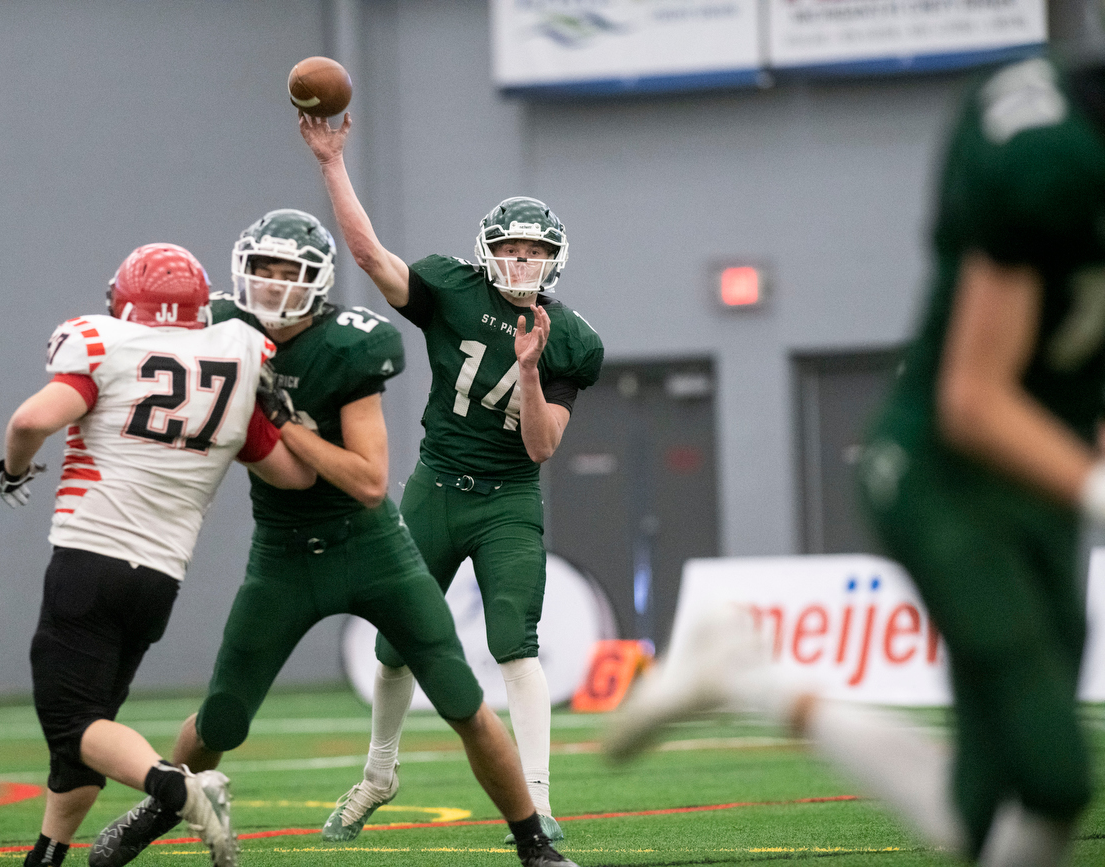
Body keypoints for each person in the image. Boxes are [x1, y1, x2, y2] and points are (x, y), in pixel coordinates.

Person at [605, 54, 1105, 866]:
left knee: (990, 812)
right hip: (948, 480)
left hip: (1041, 487)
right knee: (1052, 774)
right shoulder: (1047, 152)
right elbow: (974, 399)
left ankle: (748, 680)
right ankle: (747, 680)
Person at [89, 210, 580, 867]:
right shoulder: (223, 327)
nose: (272, 283)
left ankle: (532, 841)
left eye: (288, 271)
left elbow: (370, 480)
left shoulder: (351, 343)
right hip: (283, 553)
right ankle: (156, 809)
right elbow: (148, 336)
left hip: (372, 546)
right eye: (263, 269)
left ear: (317, 282)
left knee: (463, 699)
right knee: (221, 718)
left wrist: (281, 421)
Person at [299, 113, 604, 845]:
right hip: (437, 484)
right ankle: (378, 773)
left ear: (553, 261)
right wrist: (333, 162)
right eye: (511, 249)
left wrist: (530, 371)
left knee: (514, 640)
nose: (522, 262)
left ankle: (535, 798)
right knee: (394, 642)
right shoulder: (452, 287)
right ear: (488, 253)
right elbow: (370, 256)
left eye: (535, 252)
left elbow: (541, 445)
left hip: (507, 498)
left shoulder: (572, 341)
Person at [1, 242, 316, 867]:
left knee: (71, 723)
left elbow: (29, 420)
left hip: (90, 559)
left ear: (125, 303)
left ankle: (179, 789)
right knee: (91, 732)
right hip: (160, 579)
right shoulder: (232, 363)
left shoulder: (109, 348)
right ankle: (49, 851)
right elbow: (291, 474)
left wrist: (13, 472)